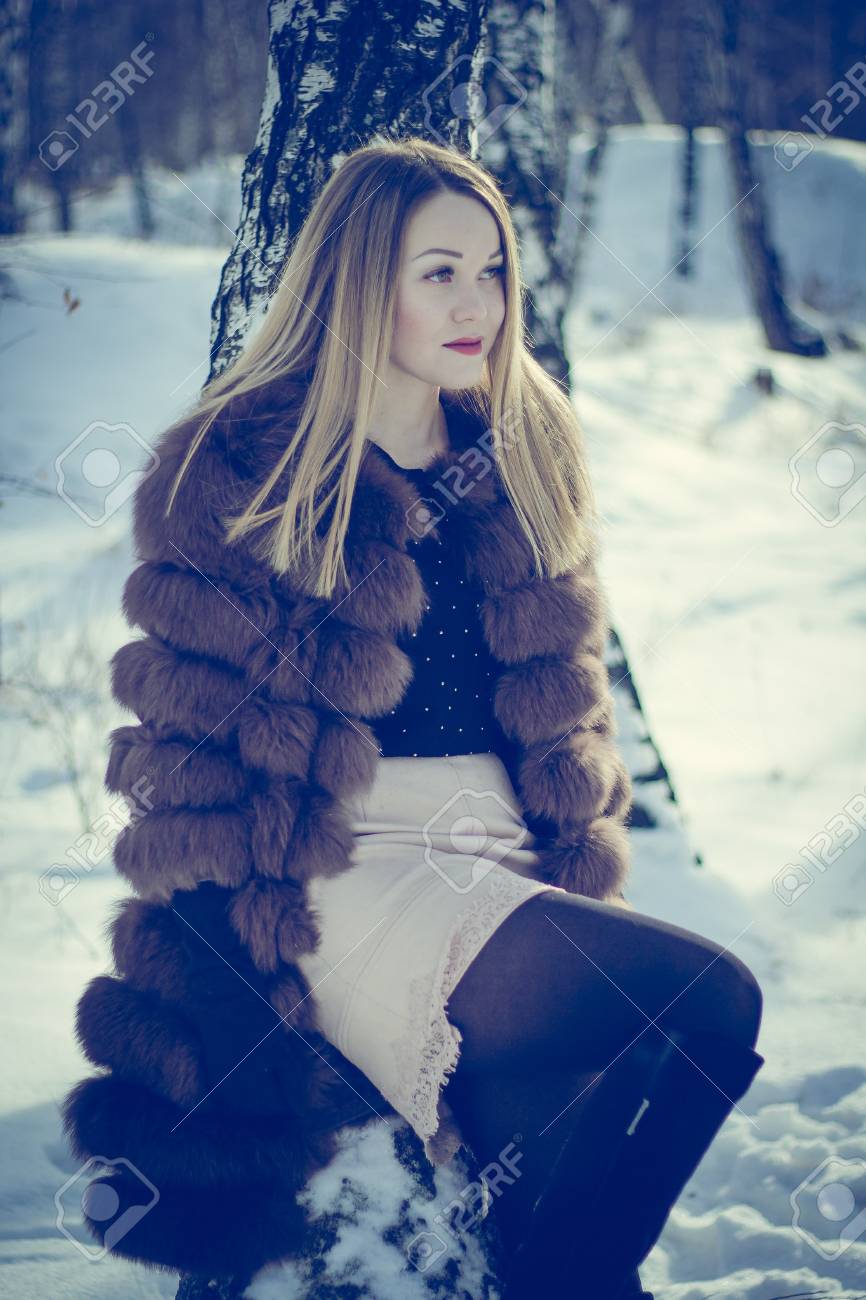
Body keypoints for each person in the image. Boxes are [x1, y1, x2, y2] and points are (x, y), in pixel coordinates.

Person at [64, 135, 764, 1298]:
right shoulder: (244, 466)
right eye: (438, 271)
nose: (477, 302)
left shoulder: (521, 453)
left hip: (498, 861)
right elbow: (183, 758)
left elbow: (566, 718)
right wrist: (227, 978)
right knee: (707, 992)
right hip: (343, 873)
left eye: (492, 270)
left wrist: (565, 867)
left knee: (584, 1162)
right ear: (357, 279)